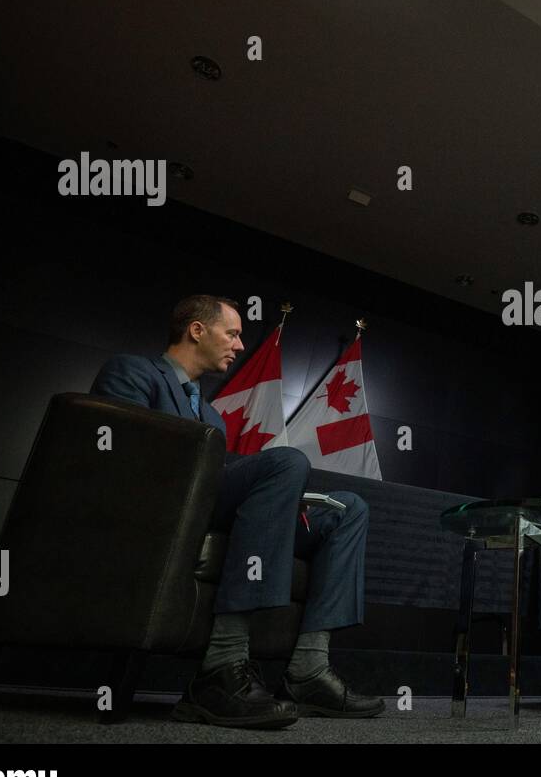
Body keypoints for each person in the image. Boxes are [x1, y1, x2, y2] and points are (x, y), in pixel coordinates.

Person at [91, 294, 384, 728]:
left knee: (348, 508)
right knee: (287, 461)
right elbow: (122, 456)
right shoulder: (133, 372)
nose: (239, 345)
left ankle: (308, 670)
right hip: (161, 509)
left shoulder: (212, 414)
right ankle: (220, 668)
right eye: (232, 333)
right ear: (196, 330)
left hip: (209, 506)